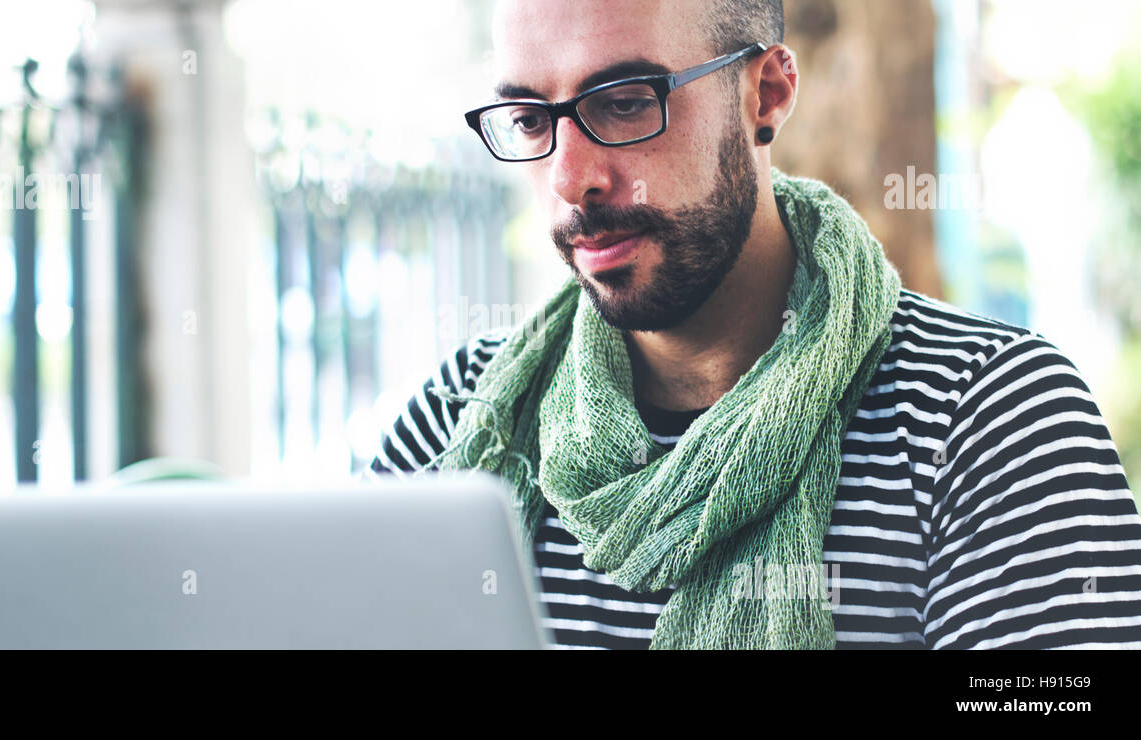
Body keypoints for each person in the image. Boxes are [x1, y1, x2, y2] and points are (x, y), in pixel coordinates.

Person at [368, 0, 1141, 649]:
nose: (572, 178)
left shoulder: (989, 418)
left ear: (766, 93)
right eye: (532, 119)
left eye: (627, 101)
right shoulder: (461, 420)